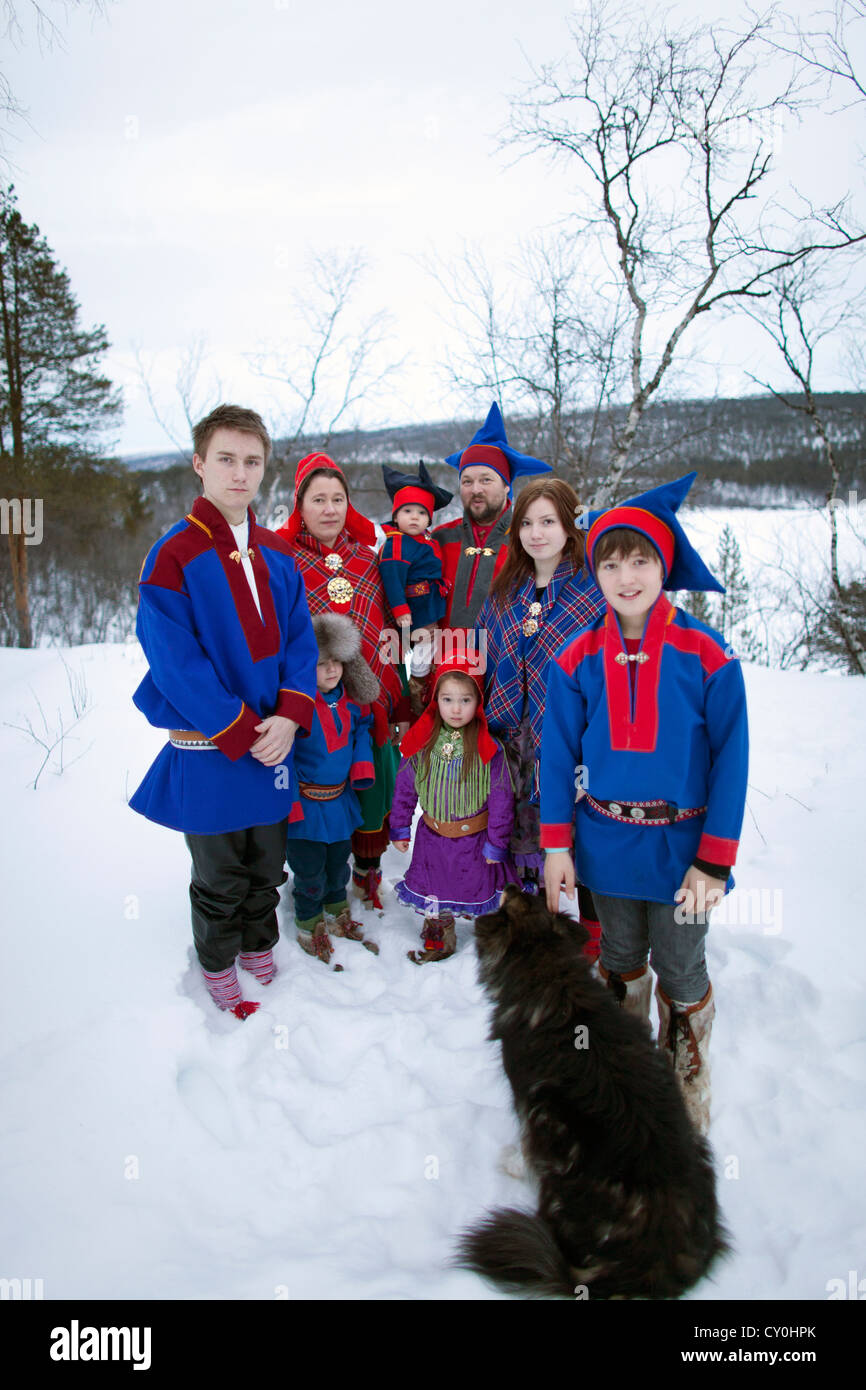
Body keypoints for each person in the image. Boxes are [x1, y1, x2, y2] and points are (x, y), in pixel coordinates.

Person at [540, 473, 749, 1132]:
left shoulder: (708, 656)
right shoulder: (576, 658)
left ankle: (686, 1074)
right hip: (606, 847)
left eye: (639, 560)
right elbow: (554, 755)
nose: (625, 576)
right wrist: (554, 846)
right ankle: (623, 1073)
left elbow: (732, 763)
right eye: (609, 562)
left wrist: (713, 863)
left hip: (685, 852)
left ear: (664, 565)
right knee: (620, 959)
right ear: (593, 571)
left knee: (681, 963)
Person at [130, 403, 318, 1019]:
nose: (240, 473)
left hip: (274, 743)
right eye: (227, 460)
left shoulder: (277, 553)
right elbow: (174, 662)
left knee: (266, 863)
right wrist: (239, 727)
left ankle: (258, 943)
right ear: (199, 465)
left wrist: (290, 716)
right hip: (212, 746)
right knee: (219, 872)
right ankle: (217, 962)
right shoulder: (173, 556)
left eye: (253, 461)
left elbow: (299, 641)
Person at [275, 452, 409, 912]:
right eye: (318, 499)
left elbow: (388, 624)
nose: (329, 509)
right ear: (301, 505)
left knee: (371, 788)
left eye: (338, 498)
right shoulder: (282, 560)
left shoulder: (368, 557)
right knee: (319, 790)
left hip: (368, 699)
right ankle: (314, 879)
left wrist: (398, 690)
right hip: (313, 701)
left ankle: (364, 876)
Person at [476, 477, 605, 921]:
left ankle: (600, 947)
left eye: (548, 521)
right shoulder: (504, 592)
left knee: (583, 848)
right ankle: (530, 932)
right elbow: (483, 659)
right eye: (526, 523)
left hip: (574, 743)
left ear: (570, 526)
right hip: (511, 744)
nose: (536, 532)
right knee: (520, 845)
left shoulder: (595, 592)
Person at [390, 657, 519, 964]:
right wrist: (399, 826)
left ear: (478, 702)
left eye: (465, 700)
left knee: (478, 886)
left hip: (474, 839)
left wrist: (497, 843)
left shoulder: (489, 747)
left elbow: (502, 798)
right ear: (436, 700)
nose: (456, 709)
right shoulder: (422, 742)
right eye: (448, 700)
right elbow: (405, 788)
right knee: (433, 887)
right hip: (432, 837)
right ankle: (438, 932)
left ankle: (492, 936)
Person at [286, 613, 381, 968]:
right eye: (321, 664)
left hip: (339, 801)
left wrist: (361, 767)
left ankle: (336, 906)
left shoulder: (351, 703)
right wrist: (291, 802)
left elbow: (361, 732)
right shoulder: (295, 708)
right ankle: (309, 920)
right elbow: (286, 757)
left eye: (337, 663)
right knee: (309, 870)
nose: (332, 671)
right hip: (307, 807)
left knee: (338, 861)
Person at [432, 402, 551, 640]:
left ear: (506, 485)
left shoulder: (529, 539)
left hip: (506, 667)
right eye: (467, 481)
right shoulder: (441, 537)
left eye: (486, 480)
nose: (475, 489)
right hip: (445, 668)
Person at [379, 459, 453, 717]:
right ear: (396, 516)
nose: (415, 517)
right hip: (415, 608)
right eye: (408, 511)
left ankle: (425, 680)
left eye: (421, 513)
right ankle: (417, 682)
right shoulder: (397, 544)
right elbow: (391, 577)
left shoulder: (426, 540)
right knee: (424, 644)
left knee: (433, 642)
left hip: (430, 604)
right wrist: (400, 610)